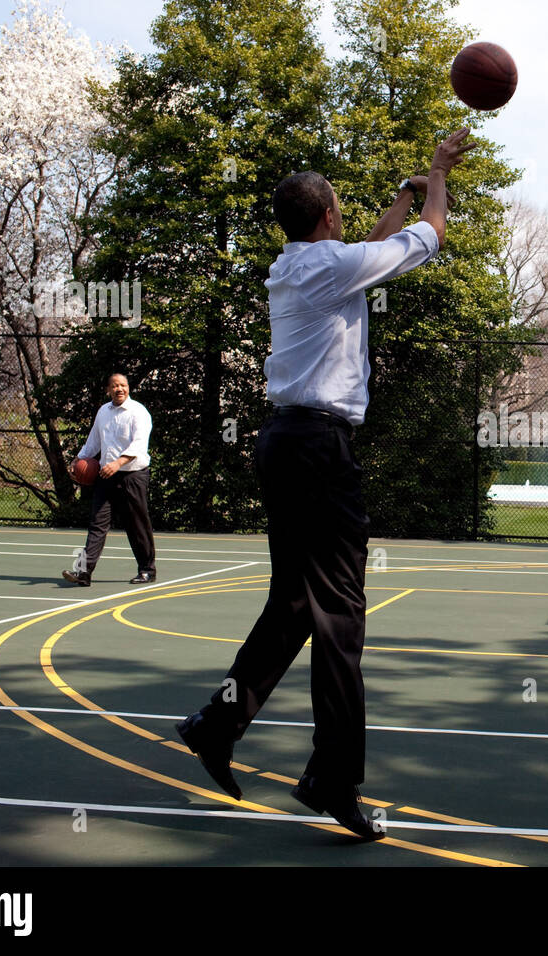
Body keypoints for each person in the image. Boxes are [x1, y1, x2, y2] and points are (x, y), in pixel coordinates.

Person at [176, 128, 476, 841]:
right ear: (329, 218)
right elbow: (432, 237)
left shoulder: (303, 266)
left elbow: (373, 248)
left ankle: (215, 726)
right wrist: (435, 176)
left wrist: (399, 199)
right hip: (317, 449)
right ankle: (331, 777)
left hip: (286, 444)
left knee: (293, 606)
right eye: (343, 209)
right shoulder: (329, 269)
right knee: (340, 617)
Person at [62, 372, 157, 587]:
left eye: (123, 385)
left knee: (136, 524)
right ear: (108, 389)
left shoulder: (138, 412)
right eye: (114, 386)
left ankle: (147, 570)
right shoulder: (103, 412)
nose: (119, 389)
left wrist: (118, 463)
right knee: (97, 523)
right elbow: (93, 442)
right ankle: (83, 572)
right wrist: (78, 461)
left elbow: (139, 445)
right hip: (106, 475)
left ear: (128, 388)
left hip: (133, 475)